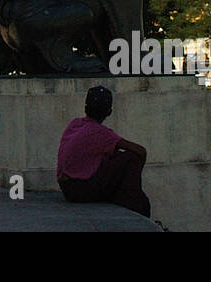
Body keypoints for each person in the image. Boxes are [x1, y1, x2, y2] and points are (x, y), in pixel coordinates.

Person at [56, 85, 151, 217]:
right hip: (80, 190)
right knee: (131, 158)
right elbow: (141, 151)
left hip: (66, 187)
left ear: (85, 107)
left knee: (114, 156)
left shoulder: (75, 124)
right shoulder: (101, 133)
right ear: (109, 112)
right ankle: (132, 201)